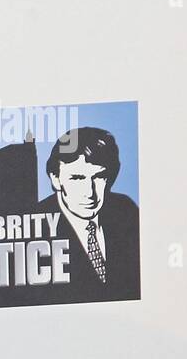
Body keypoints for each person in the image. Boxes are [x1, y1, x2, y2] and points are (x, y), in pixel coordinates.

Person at [35, 127, 140, 300]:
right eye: (77, 178)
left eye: (99, 177)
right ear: (56, 178)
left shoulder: (126, 210)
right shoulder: (35, 224)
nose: (89, 192)